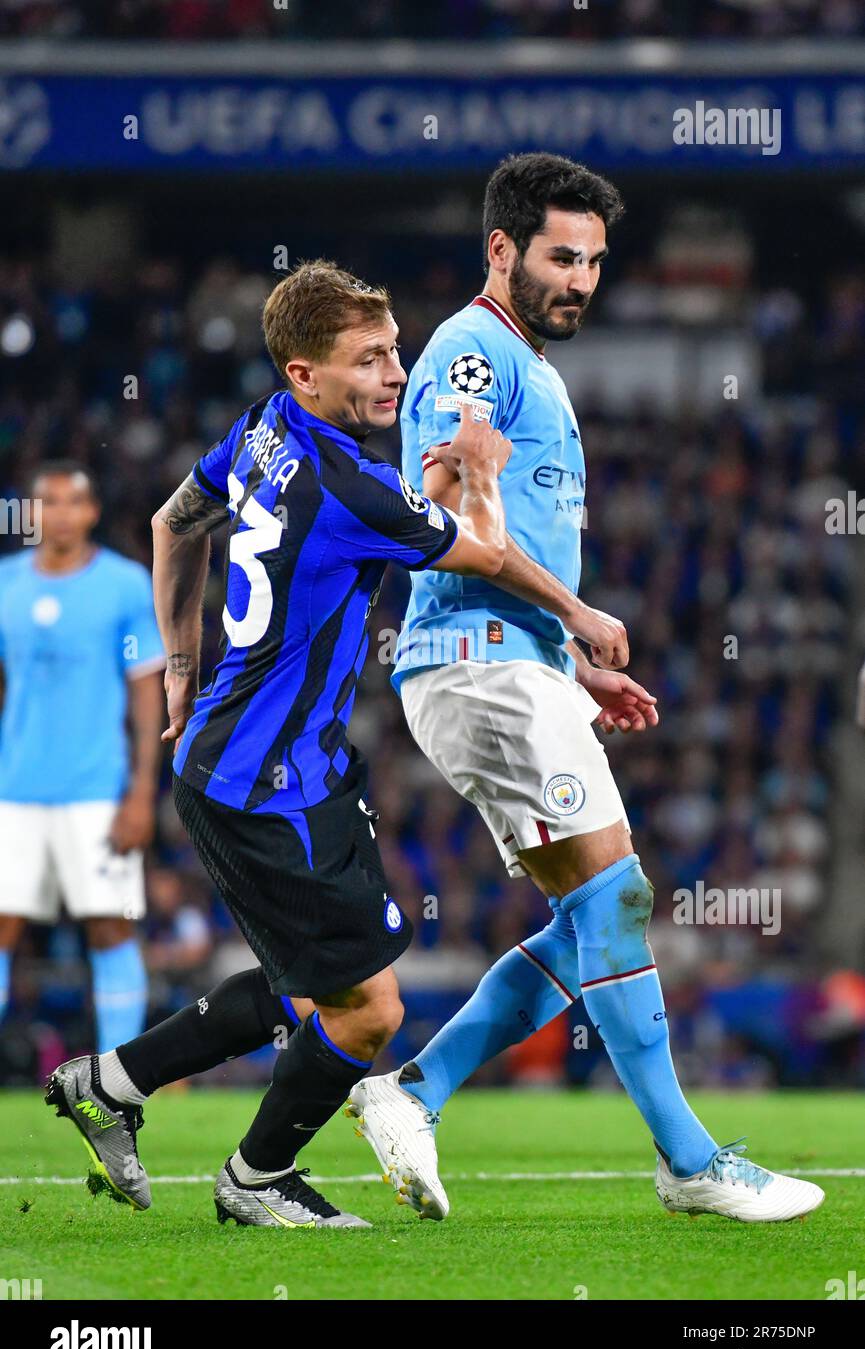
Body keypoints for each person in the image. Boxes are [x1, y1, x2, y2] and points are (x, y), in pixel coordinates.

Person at [45, 259, 610, 1229]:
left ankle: (112, 1082)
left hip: (276, 767)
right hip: (264, 788)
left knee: (308, 982)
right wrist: (575, 604)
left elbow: (171, 521)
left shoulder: (269, 432)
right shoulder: (347, 483)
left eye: (395, 351)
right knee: (368, 1011)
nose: (395, 373)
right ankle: (254, 1179)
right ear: (305, 372)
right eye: (368, 360)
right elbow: (484, 552)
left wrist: (182, 665)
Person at [347, 153, 825, 1225]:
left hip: (509, 665)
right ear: (501, 250)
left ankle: (415, 1090)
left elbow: (484, 519)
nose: (581, 279)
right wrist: (573, 617)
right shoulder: (472, 350)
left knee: (595, 907)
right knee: (614, 898)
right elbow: (443, 524)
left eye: (596, 261)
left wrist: (567, 663)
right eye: (562, 256)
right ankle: (689, 1160)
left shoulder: (523, 360)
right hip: (480, 665)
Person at [0, 462, 164, 1052]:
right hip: (12, 788)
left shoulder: (123, 584)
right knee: (2, 927)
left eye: (73, 503)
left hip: (98, 789)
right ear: (31, 513)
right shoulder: (5, 584)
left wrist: (142, 791)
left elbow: (147, 691)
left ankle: (118, 1078)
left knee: (110, 926)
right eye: (48, 503)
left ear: (91, 512)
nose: (61, 515)